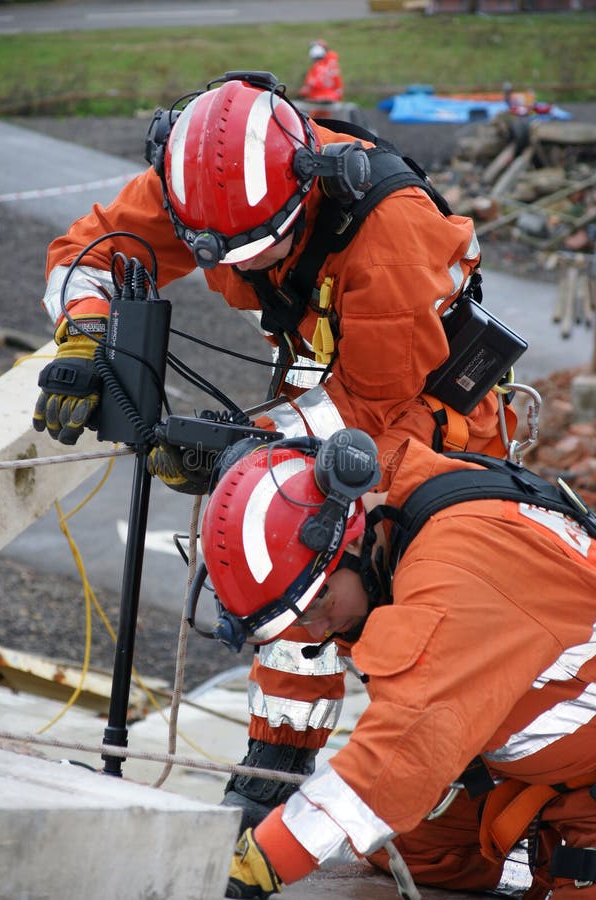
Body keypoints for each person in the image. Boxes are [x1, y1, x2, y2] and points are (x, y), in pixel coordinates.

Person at [31, 70, 518, 829]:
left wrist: (238, 450)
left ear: (308, 190)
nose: (248, 265)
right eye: (225, 253)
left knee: (418, 608)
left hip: (432, 423)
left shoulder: (389, 233)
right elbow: (86, 254)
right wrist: (89, 334)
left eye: (266, 247)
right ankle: (274, 771)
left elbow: (373, 407)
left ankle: (477, 780)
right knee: (285, 566)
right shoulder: (206, 183)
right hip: (320, 379)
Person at [199, 428, 596, 900]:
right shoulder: (394, 513)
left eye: (316, 605)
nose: (317, 630)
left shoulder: (460, 574)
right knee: (407, 847)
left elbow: (402, 749)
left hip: (583, 782)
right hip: (540, 763)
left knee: (382, 798)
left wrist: (259, 865)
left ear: (348, 544)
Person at [297, 39, 344, 104]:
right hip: (334, 97)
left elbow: (309, 86)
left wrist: (300, 95)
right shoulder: (333, 65)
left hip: (319, 98)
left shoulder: (316, 69)